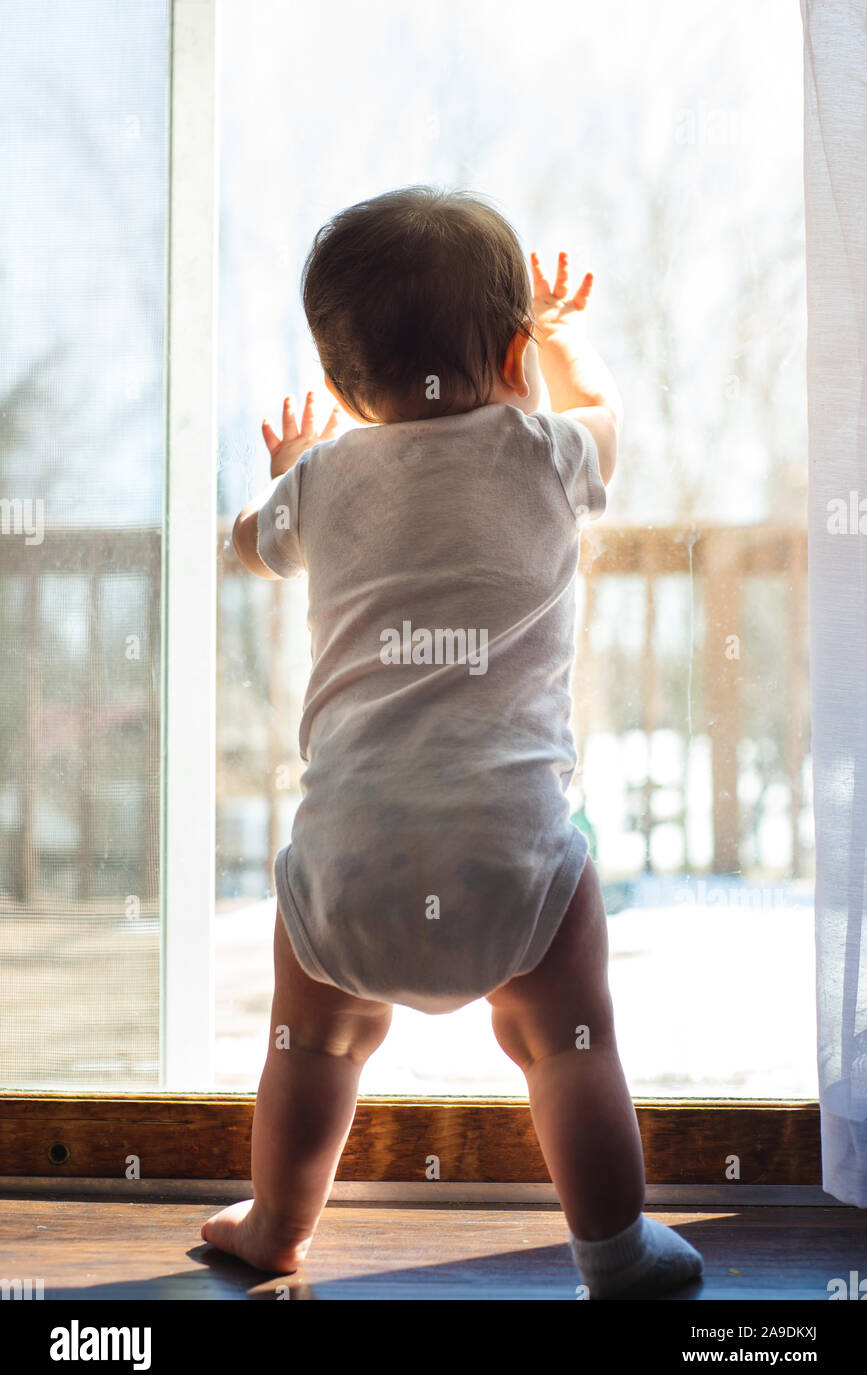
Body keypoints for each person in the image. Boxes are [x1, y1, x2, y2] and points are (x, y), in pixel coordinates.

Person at [203, 187, 703, 1299]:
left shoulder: (328, 480)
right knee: (570, 1045)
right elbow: (610, 419)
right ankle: (616, 1249)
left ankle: (276, 1224)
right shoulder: (545, 451)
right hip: (514, 851)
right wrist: (568, 353)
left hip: (351, 854)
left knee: (310, 1047)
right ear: (518, 353)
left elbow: (247, 544)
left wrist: (292, 470)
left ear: (340, 385)